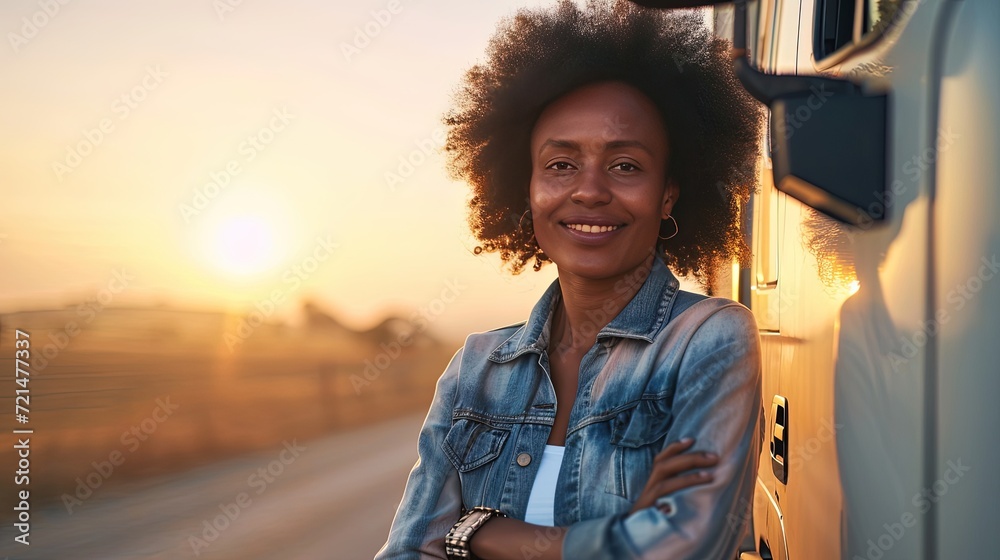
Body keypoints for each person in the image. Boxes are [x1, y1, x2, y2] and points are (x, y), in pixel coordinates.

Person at [376, 1, 763, 558]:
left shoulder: (708, 339)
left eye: (625, 165)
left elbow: (681, 547)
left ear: (669, 192)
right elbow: (409, 550)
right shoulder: (477, 368)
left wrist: (478, 532)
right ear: (524, 187)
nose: (589, 191)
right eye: (561, 164)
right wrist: (621, 529)